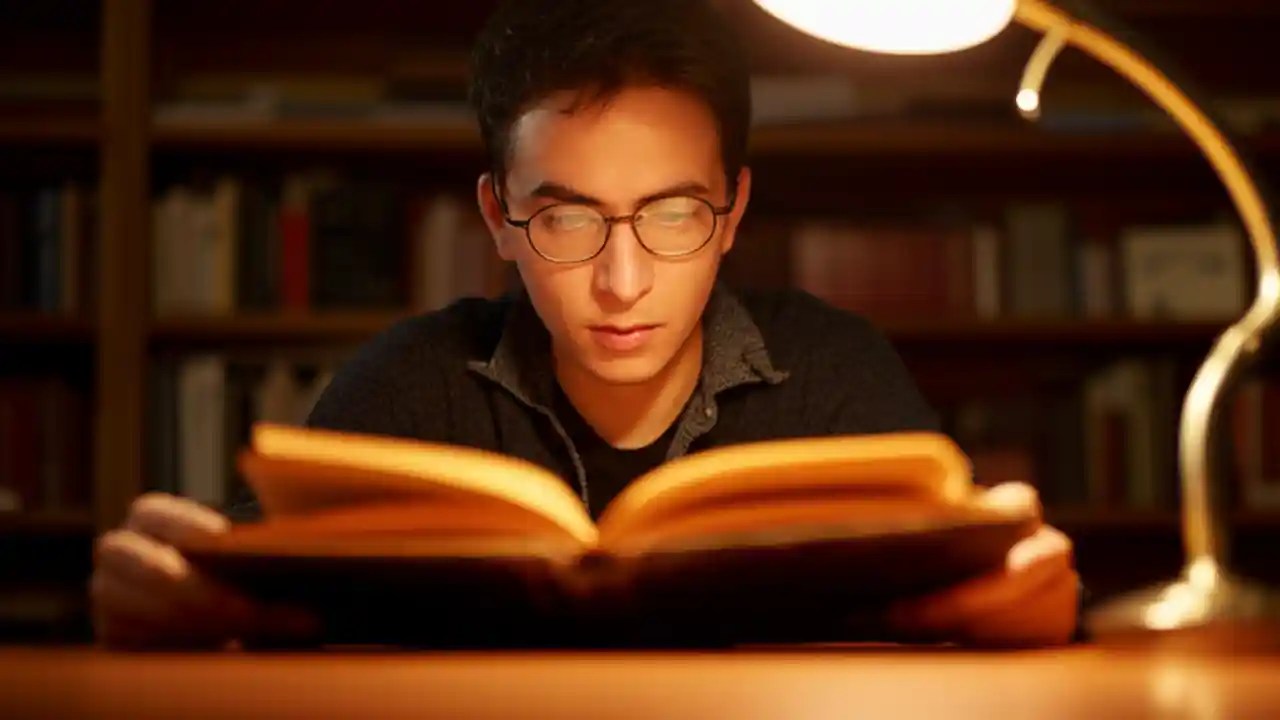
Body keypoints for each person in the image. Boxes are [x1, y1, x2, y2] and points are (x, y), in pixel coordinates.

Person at [91, 0, 1080, 649]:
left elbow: (969, 625)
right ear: (498, 220)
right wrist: (176, 600)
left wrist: (1015, 604)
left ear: (731, 213)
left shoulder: (831, 375)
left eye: (672, 214)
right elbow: (243, 615)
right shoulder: (411, 382)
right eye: (566, 218)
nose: (620, 280)